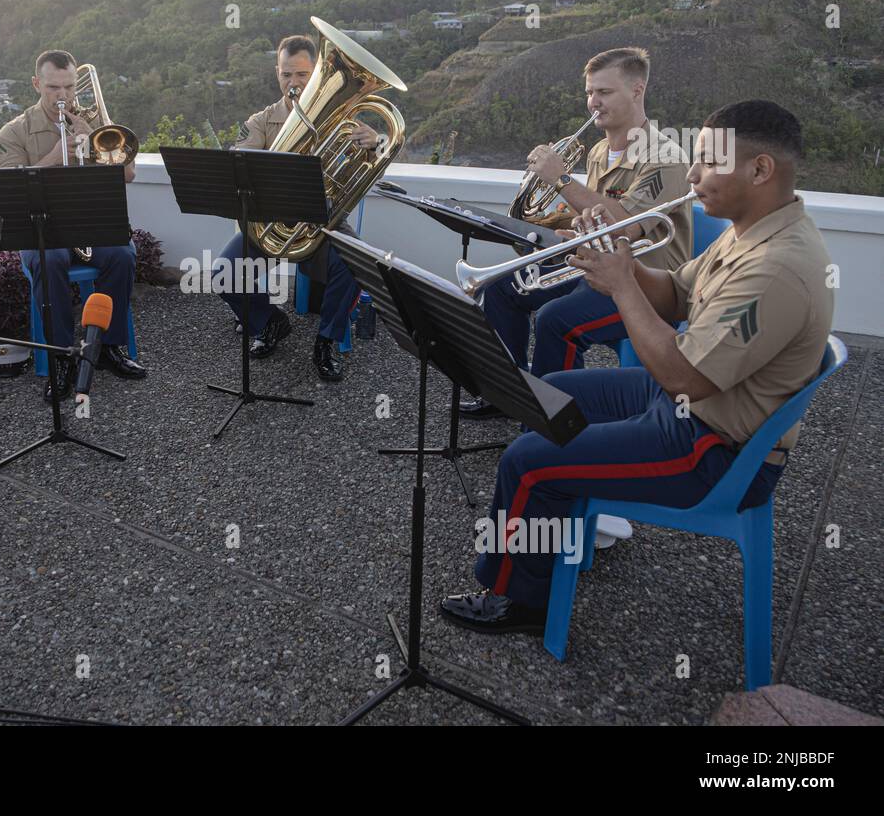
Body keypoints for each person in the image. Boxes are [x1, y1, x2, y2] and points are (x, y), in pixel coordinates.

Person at [441, 100, 833, 634]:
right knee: (551, 394)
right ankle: (565, 518)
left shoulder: (778, 268)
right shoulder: (750, 231)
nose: (691, 176)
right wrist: (620, 260)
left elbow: (683, 375)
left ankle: (522, 600)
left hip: (717, 446)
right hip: (697, 406)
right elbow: (675, 293)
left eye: (706, 162)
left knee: (528, 460)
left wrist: (622, 288)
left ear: (760, 170)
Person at [463, 47, 693, 418]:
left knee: (557, 319)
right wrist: (571, 231)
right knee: (501, 289)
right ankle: (512, 392)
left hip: (646, 285)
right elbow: (593, 216)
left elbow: (625, 226)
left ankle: (555, 419)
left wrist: (560, 178)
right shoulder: (600, 151)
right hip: (597, 268)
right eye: (589, 92)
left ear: (637, 90)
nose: (593, 103)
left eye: (604, 92)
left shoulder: (665, 157)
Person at [217, 34, 377, 381]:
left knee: (355, 264)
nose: (294, 83)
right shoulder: (260, 121)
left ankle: (327, 341)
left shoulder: (341, 119)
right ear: (277, 74)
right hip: (271, 226)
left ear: (316, 73)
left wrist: (370, 147)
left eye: (302, 75)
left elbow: (353, 176)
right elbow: (239, 165)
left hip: (319, 224)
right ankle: (270, 322)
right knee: (223, 273)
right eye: (287, 74)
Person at [0, 49, 146, 401]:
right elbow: (7, 188)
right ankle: (61, 358)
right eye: (52, 88)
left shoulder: (90, 123)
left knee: (121, 255)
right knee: (50, 262)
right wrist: (57, 154)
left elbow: (128, 174)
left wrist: (92, 138)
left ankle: (107, 347)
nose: (62, 96)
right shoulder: (15, 131)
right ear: (36, 84)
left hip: (87, 224)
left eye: (68, 87)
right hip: (40, 229)